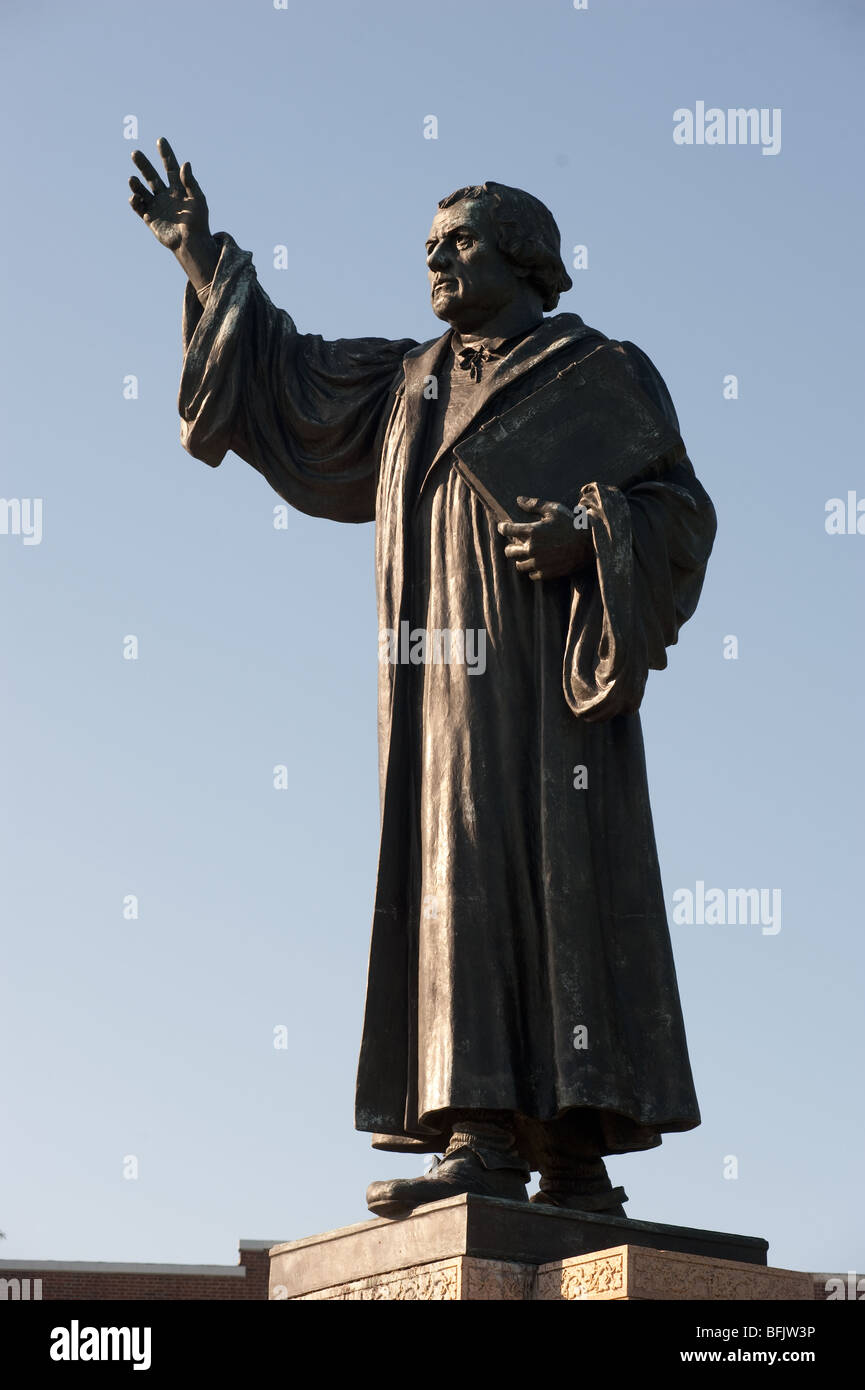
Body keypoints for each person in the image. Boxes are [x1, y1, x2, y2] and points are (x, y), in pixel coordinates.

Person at [129, 140, 717, 1219]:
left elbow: (681, 511)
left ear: (526, 258)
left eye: (459, 243)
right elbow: (289, 378)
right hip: (439, 697)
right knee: (457, 881)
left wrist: (591, 532)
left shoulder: (599, 374)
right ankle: (480, 1130)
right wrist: (201, 257)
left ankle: (577, 1154)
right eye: (430, 247)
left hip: (551, 702)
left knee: (569, 891)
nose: (438, 261)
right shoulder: (409, 381)